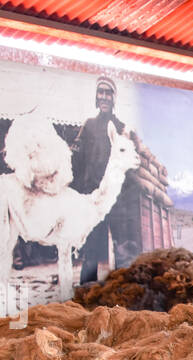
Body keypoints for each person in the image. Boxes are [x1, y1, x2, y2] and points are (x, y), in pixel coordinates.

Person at [72, 76, 127, 284]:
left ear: (114, 98)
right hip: (93, 195)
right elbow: (77, 156)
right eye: (100, 92)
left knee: (120, 246)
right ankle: (87, 288)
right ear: (96, 97)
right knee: (92, 244)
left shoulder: (121, 127)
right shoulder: (89, 125)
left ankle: (122, 289)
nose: (104, 97)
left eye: (108, 93)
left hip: (116, 197)